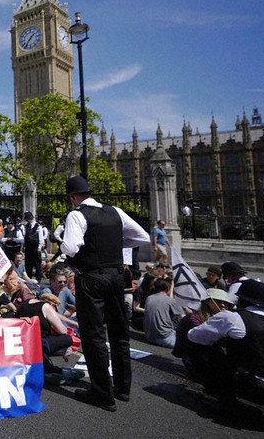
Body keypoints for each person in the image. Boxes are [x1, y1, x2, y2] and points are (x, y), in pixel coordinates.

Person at [60, 175, 150, 411]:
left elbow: (70, 248)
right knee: (120, 332)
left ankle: (102, 394)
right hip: (116, 277)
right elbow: (142, 237)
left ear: (72, 197)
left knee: (94, 335)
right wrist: (113, 244)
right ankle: (122, 388)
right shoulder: (115, 211)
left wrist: (60, 242)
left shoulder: (76, 215)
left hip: (91, 278)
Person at [187, 280, 264, 400]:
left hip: (247, 370)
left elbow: (194, 336)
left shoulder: (233, 317)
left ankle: (219, 392)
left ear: (241, 299)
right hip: (262, 370)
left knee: (201, 346)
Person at [143, 278, 184, 348]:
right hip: (165, 337)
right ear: (167, 288)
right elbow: (183, 318)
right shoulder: (172, 301)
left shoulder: (149, 298)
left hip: (149, 336)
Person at [21, 211, 43, 282]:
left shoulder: (38, 226)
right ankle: (29, 278)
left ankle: (38, 279)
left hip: (35, 247)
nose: (27, 220)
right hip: (28, 247)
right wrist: (23, 246)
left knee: (37, 264)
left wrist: (39, 247)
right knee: (28, 264)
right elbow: (25, 237)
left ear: (30, 218)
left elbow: (41, 238)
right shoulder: (26, 226)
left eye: (27, 219)